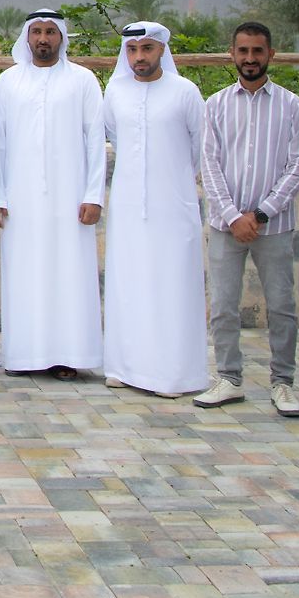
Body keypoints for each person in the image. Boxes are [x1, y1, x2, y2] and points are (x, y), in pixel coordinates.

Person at [0, 9, 105, 381]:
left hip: (70, 197)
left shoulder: (83, 81)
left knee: (68, 276)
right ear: (26, 38)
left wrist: (94, 195)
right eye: (37, 32)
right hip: (21, 198)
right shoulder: (9, 81)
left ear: (61, 37)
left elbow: (95, 141)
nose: (43, 39)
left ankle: (68, 355)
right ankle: (24, 354)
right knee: (23, 276)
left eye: (50, 32)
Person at [194, 22, 299, 417]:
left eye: (257, 51)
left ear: (270, 55)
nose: (249, 58)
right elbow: (208, 166)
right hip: (225, 225)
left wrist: (260, 214)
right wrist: (232, 216)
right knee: (224, 305)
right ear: (232, 53)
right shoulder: (215, 105)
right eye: (242, 51)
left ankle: (283, 383)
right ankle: (228, 378)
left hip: (272, 226)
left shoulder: (291, 105)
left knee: (281, 306)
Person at [100, 21, 209, 399]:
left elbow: (199, 149)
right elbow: (112, 134)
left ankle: (173, 375)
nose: (139, 57)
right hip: (129, 207)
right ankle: (125, 367)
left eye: (146, 49)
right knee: (128, 285)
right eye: (132, 50)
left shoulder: (185, 92)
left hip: (173, 207)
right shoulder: (115, 91)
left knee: (173, 287)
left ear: (162, 50)